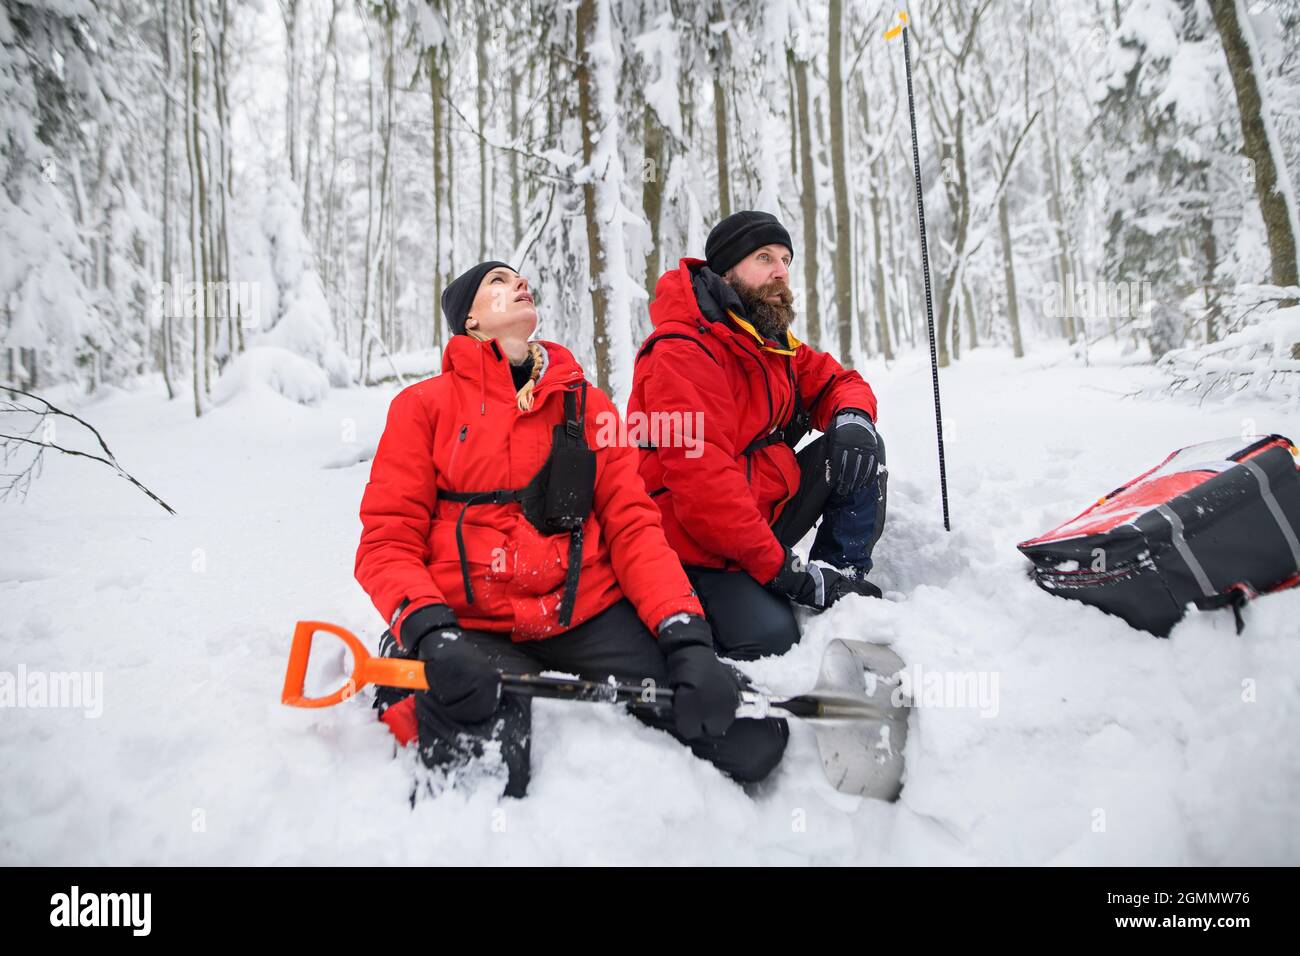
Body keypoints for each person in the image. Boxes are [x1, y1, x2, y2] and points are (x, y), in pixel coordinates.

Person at [354, 260, 787, 798]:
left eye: (518, 277)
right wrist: (430, 631)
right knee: (482, 781)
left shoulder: (587, 405)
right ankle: (407, 661)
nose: (518, 283)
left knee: (750, 736)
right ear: (468, 320)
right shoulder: (422, 408)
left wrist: (686, 636)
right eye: (497, 281)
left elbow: (635, 529)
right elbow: (386, 540)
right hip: (468, 624)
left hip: (580, 613)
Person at [628, 211, 887, 661]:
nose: (780, 271)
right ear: (726, 272)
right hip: (692, 542)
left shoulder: (769, 342)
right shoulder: (681, 351)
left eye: (785, 259)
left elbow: (836, 382)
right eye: (764, 258)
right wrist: (787, 573)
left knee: (858, 445)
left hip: (758, 516)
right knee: (770, 641)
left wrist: (853, 417)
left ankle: (838, 574)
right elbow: (705, 490)